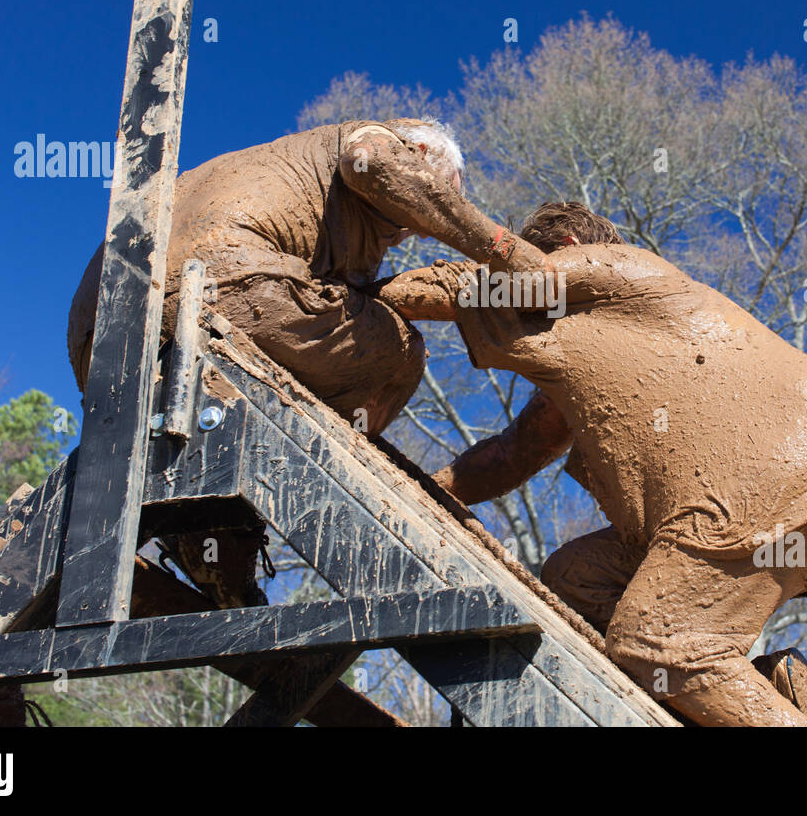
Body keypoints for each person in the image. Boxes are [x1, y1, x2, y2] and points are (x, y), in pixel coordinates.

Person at [377, 202, 807, 726]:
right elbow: (514, 454)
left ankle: (716, 673)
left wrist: (367, 297)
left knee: (656, 641)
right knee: (574, 580)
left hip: (774, 470)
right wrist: (420, 488)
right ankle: (759, 694)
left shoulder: (620, 268)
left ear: (573, 248)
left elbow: (496, 283)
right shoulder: (605, 348)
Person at [67, 118, 554, 607]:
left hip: (104, 335)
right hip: (222, 288)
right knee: (401, 354)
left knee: (365, 326)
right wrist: (514, 256)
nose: (411, 235)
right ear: (420, 150)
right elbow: (376, 164)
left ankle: (215, 528)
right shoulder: (374, 142)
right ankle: (307, 490)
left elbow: (364, 295)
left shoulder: (273, 177)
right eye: (424, 212)